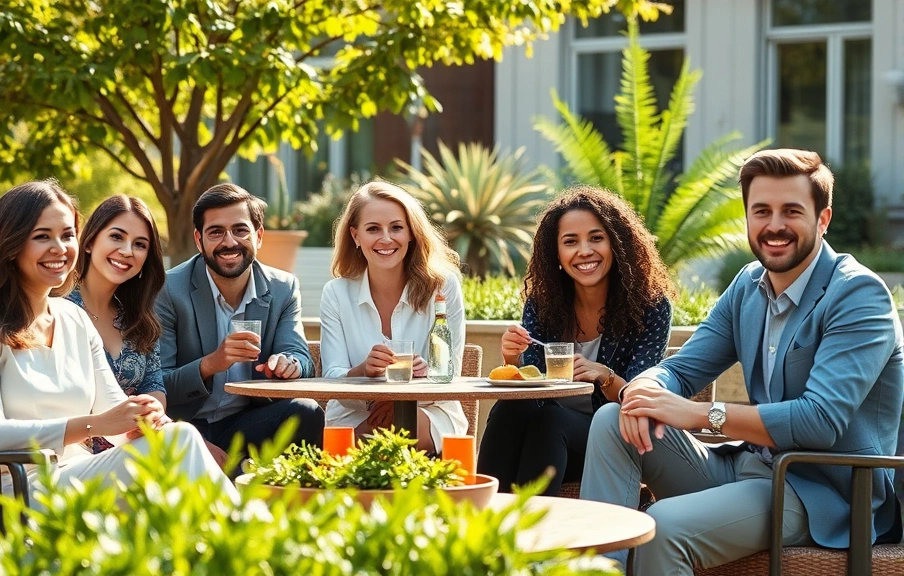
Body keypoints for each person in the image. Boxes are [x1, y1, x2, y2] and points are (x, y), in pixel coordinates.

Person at [581, 149, 904, 574]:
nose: (774, 225)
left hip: (823, 492)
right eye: (761, 211)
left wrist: (700, 414)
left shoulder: (857, 294)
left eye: (791, 211)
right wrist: (647, 386)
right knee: (612, 418)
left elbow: (820, 420)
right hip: (749, 466)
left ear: (822, 219)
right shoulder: (749, 285)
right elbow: (682, 368)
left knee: (663, 524)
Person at [0, 180, 237, 508]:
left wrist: (143, 423)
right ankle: (251, 545)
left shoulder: (74, 319)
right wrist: (95, 425)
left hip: (74, 476)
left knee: (177, 438)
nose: (60, 248)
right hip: (2, 493)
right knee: (182, 443)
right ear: (10, 243)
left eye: (66, 235)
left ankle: (238, 546)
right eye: (42, 236)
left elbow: (113, 412)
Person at [476, 186, 673, 495]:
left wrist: (604, 376)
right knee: (510, 409)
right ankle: (483, 522)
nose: (584, 251)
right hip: (546, 441)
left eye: (596, 238)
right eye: (570, 241)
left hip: (611, 437)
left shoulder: (649, 307)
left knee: (549, 421)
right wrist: (512, 361)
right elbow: (534, 389)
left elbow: (638, 400)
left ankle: (531, 534)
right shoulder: (543, 306)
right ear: (556, 253)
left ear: (617, 243)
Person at [155, 183, 324, 462]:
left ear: (258, 236)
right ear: (199, 240)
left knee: (307, 411)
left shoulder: (282, 288)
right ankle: (241, 473)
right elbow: (158, 383)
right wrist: (212, 363)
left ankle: (271, 488)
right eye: (216, 232)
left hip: (245, 422)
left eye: (240, 230)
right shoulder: (169, 289)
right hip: (185, 425)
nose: (229, 242)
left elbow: (301, 358)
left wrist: (289, 364)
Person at [319, 181, 467, 453]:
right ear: (355, 236)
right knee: (384, 427)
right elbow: (332, 378)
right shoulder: (336, 293)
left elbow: (449, 375)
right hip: (355, 416)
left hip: (428, 410)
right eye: (373, 228)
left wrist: (409, 393)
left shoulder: (443, 287)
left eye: (396, 227)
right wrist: (364, 372)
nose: (386, 238)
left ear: (411, 232)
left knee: (402, 422)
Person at [65, 195, 167, 454]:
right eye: (116, 237)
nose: (127, 251)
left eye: (140, 244)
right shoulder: (59, 310)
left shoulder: (139, 319)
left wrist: (153, 411)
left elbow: (153, 384)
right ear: (88, 243)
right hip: (75, 456)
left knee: (182, 438)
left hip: (136, 443)